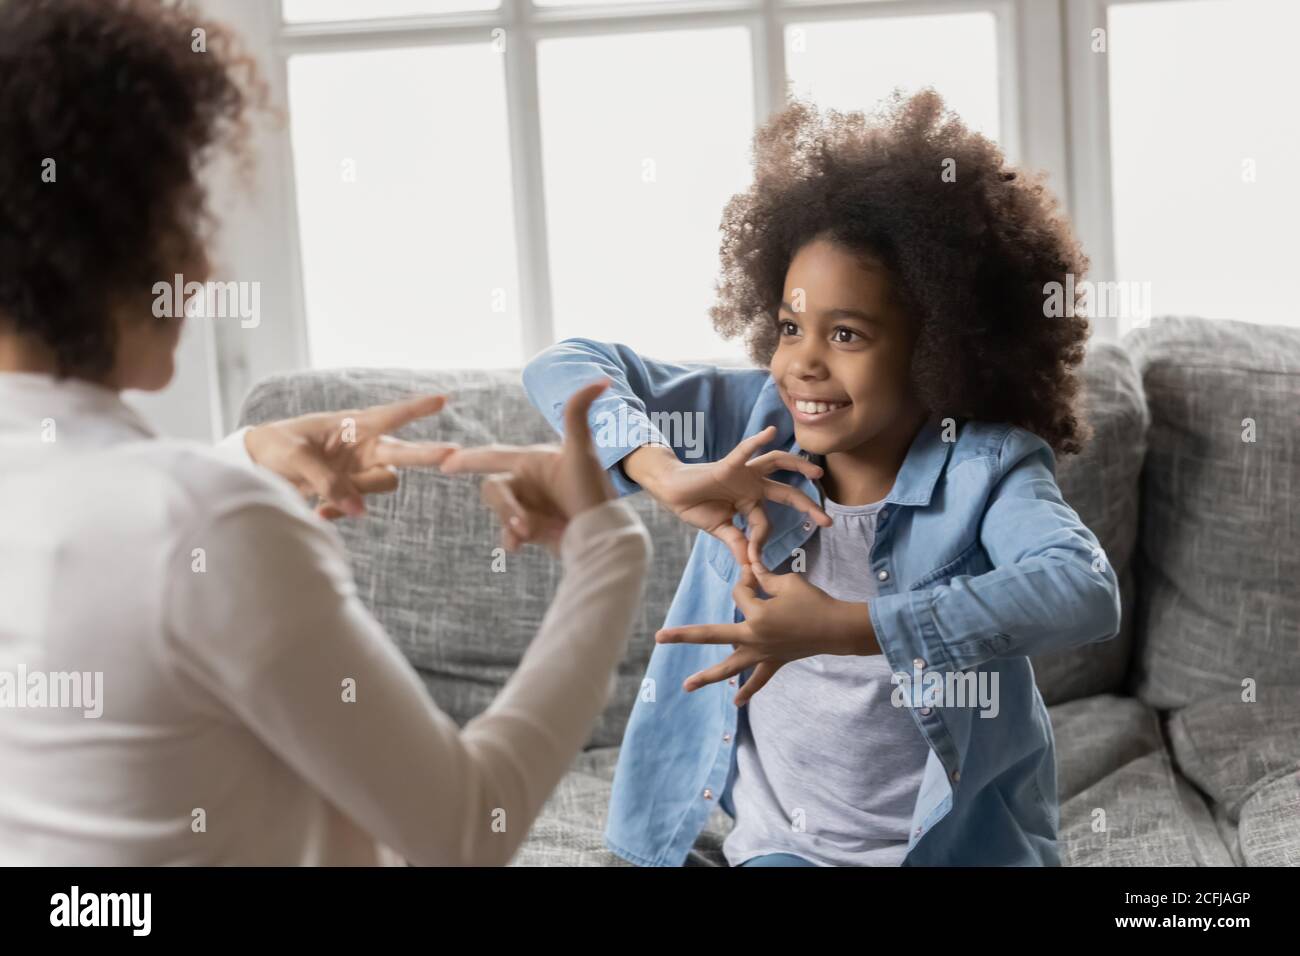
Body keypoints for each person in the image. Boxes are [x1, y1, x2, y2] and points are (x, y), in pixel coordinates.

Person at [0, 0, 651, 865]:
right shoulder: (205, 524)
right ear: (110, 243)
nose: (201, 267)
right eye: (183, 217)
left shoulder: (159, 506)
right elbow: (464, 829)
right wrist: (609, 553)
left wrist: (244, 458)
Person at [510, 92, 1122, 867]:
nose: (803, 360)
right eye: (792, 326)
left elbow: (1084, 591)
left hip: (957, 849)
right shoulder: (756, 422)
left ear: (941, 347)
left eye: (846, 334)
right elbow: (562, 366)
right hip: (788, 849)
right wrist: (664, 474)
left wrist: (842, 626)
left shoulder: (986, 468)